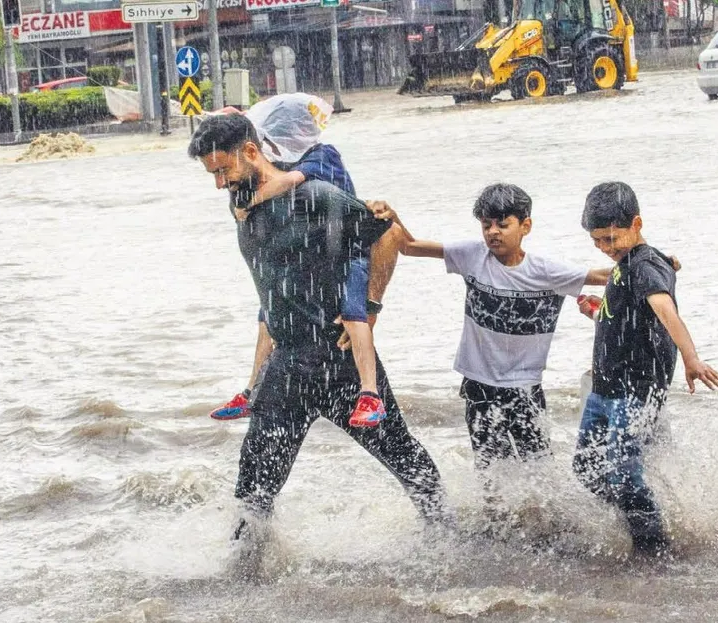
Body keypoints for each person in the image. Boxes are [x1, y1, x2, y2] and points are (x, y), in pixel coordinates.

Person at [187, 114, 452, 555]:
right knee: (254, 485)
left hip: (337, 361)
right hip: (285, 368)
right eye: (212, 175)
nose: (219, 184)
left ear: (250, 153)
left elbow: (387, 234)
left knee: (402, 455)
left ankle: (448, 540)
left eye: (223, 170)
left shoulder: (316, 197)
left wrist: (368, 308)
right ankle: (243, 572)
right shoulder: (241, 206)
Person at [369, 184, 614, 481]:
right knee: (490, 472)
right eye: (486, 225)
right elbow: (410, 246)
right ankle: (493, 511)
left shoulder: (546, 271)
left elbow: (602, 276)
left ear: (525, 226)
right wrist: (392, 218)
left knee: (540, 472)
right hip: (479, 386)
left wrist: (646, 262)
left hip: (525, 387)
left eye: (502, 224)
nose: (493, 232)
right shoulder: (473, 256)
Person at [209, 94, 388, 429]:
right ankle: (251, 390)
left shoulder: (320, 157)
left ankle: (369, 393)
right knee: (266, 316)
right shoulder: (282, 165)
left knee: (354, 314)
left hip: (350, 252)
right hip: (299, 322)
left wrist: (248, 203)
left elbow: (290, 182)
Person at [573, 181, 718, 559]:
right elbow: (634, 318)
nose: (605, 248)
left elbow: (664, 311)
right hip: (604, 390)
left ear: (636, 223)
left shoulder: (644, 265)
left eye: (611, 239)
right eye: (597, 241)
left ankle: (653, 549)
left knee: (623, 474)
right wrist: (600, 311)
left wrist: (691, 358)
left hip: (635, 391)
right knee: (586, 468)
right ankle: (648, 513)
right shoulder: (629, 262)